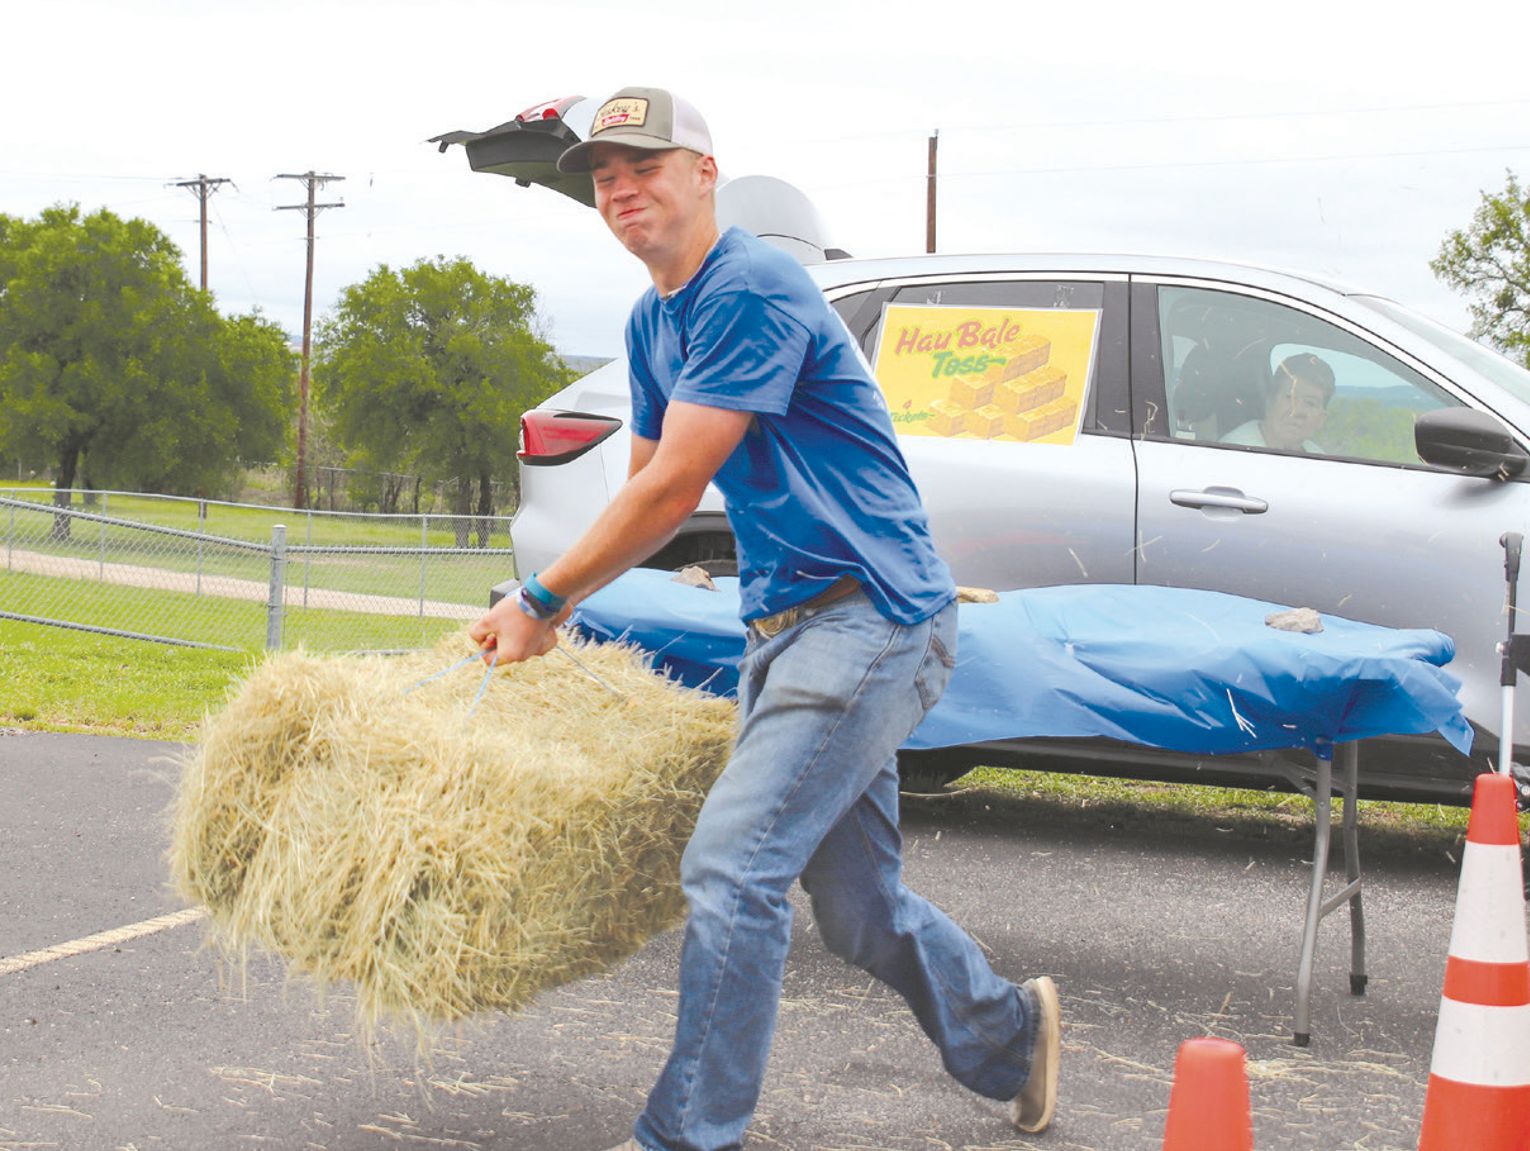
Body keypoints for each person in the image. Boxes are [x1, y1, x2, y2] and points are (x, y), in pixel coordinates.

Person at [469, 86, 1060, 1151]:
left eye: (643, 167)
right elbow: (644, 492)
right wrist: (553, 608)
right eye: (603, 177)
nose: (619, 189)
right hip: (789, 626)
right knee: (860, 912)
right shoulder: (657, 320)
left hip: (871, 616)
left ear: (705, 173)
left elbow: (671, 483)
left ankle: (689, 1134)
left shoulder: (751, 286)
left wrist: (544, 594)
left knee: (733, 868)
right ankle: (1009, 1033)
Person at [1220, 352, 1336, 452]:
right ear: (1270, 401)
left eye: (1310, 403)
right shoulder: (1234, 451)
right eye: (1289, 397)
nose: (1297, 411)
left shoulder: (1317, 455)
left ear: (1321, 419)